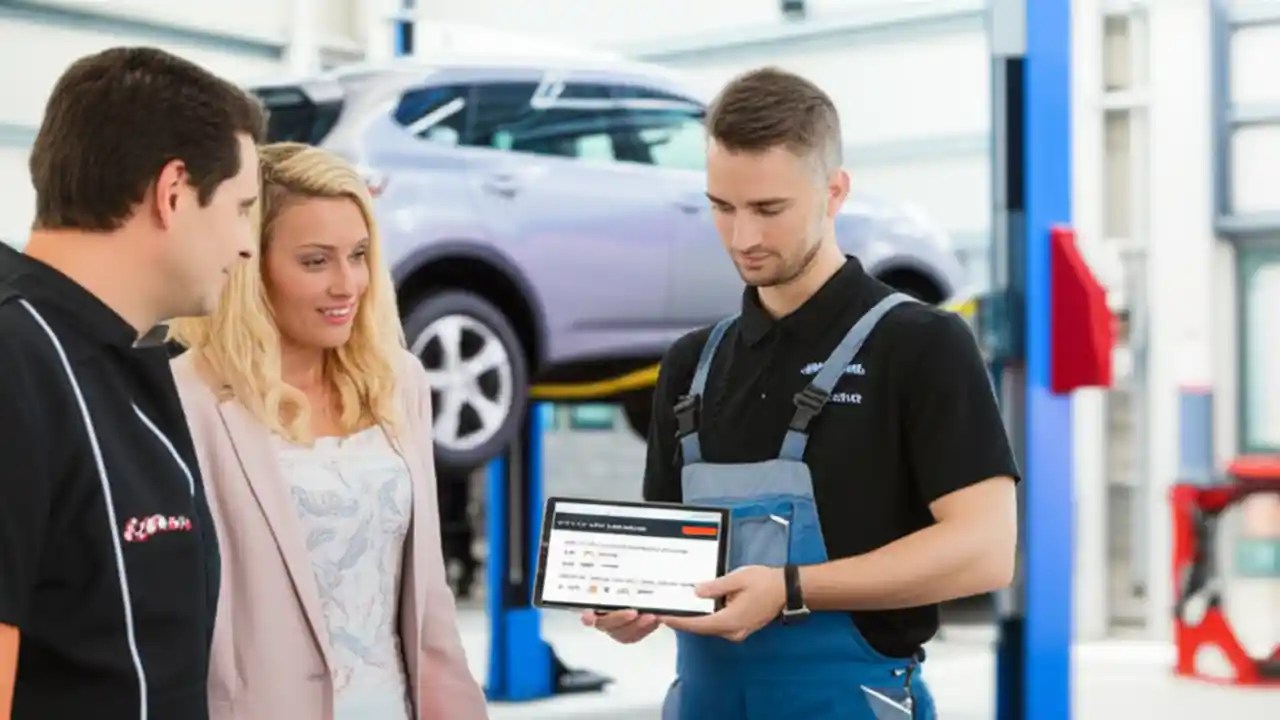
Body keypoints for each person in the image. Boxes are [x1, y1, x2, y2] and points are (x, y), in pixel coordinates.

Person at [582, 67, 1020, 719]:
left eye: (768, 210)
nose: (743, 238)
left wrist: (793, 589)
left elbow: (984, 552)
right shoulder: (688, 366)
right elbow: (674, 568)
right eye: (722, 207)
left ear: (834, 191)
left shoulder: (921, 345)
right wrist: (632, 606)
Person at [166, 142, 488, 720]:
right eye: (316, 261)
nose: (348, 284)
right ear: (249, 264)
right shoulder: (189, 397)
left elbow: (429, 601)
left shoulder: (398, 381)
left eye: (359, 254)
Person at [0, 47, 263, 720]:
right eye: (240, 209)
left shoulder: (120, 366)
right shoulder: (19, 364)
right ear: (173, 192)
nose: (245, 245)